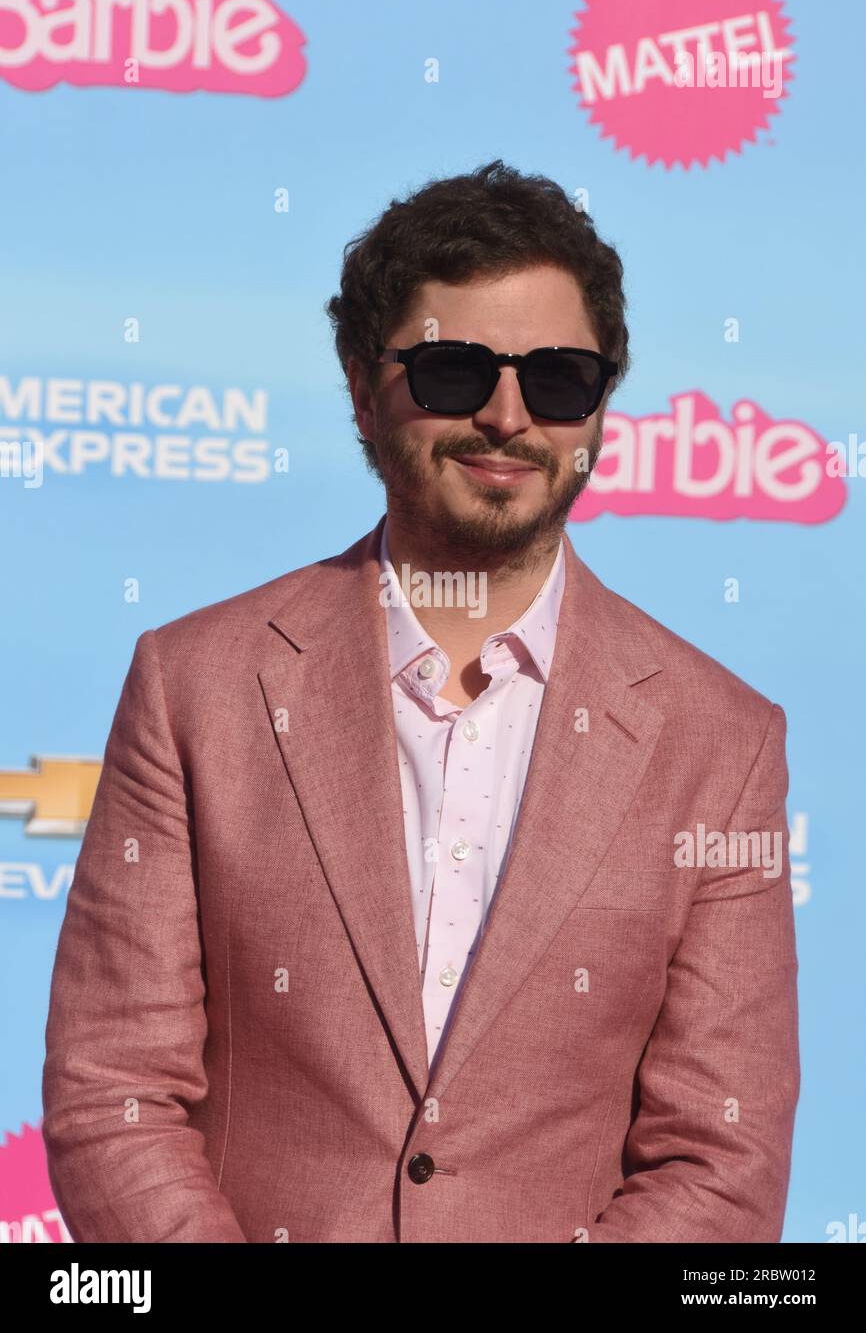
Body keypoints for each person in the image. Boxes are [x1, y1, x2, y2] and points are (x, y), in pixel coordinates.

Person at [42, 160, 799, 1243]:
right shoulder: (195, 685)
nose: (505, 416)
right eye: (452, 371)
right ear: (362, 386)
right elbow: (114, 1090)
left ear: (598, 407)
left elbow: (718, 1160)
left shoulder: (720, 740)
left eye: (556, 379)